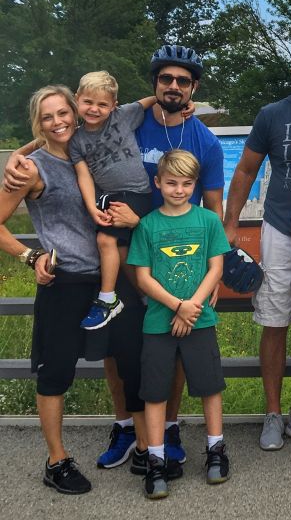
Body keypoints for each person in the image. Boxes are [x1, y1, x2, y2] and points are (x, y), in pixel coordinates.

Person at [2, 45, 223, 470]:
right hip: (87, 270)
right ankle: (94, 443)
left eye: (182, 81)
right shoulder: (46, 161)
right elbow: (61, 132)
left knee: (147, 353)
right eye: (165, 79)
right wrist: (22, 155)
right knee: (87, 361)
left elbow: (212, 207)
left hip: (147, 268)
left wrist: (213, 271)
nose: (173, 86)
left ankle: (156, 437)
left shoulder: (181, 135)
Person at [0, 86, 144, 494]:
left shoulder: (88, 149)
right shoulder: (30, 169)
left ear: (76, 112)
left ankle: (142, 442)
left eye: (63, 112)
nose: (58, 121)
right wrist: (30, 258)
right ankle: (57, 459)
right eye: (47, 117)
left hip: (111, 280)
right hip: (64, 283)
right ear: (37, 122)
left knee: (131, 359)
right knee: (56, 372)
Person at [223, 41, 291, 451]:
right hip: (281, 229)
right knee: (273, 321)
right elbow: (247, 168)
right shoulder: (273, 114)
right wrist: (230, 224)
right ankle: (272, 412)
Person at [127, 150, 231, 498]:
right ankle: (156, 459)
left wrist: (193, 307)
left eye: (187, 183)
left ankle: (215, 449)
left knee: (209, 386)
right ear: (158, 183)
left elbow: (216, 267)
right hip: (159, 322)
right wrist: (177, 306)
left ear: (195, 185)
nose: (179, 189)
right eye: (171, 182)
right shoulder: (147, 225)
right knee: (155, 392)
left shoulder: (208, 221)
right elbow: (142, 276)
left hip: (200, 320)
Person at [67, 71, 170, 330]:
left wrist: (183, 103)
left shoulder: (122, 116)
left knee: (105, 239)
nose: (94, 109)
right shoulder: (76, 140)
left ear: (113, 105)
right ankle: (146, 296)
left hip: (137, 193)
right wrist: (92, 208)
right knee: (120, 248)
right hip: (108, 196)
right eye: (88, 102)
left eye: (102, 104)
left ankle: (107, 299)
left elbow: (149, 101)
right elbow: (84, 177)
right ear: (77, 99)